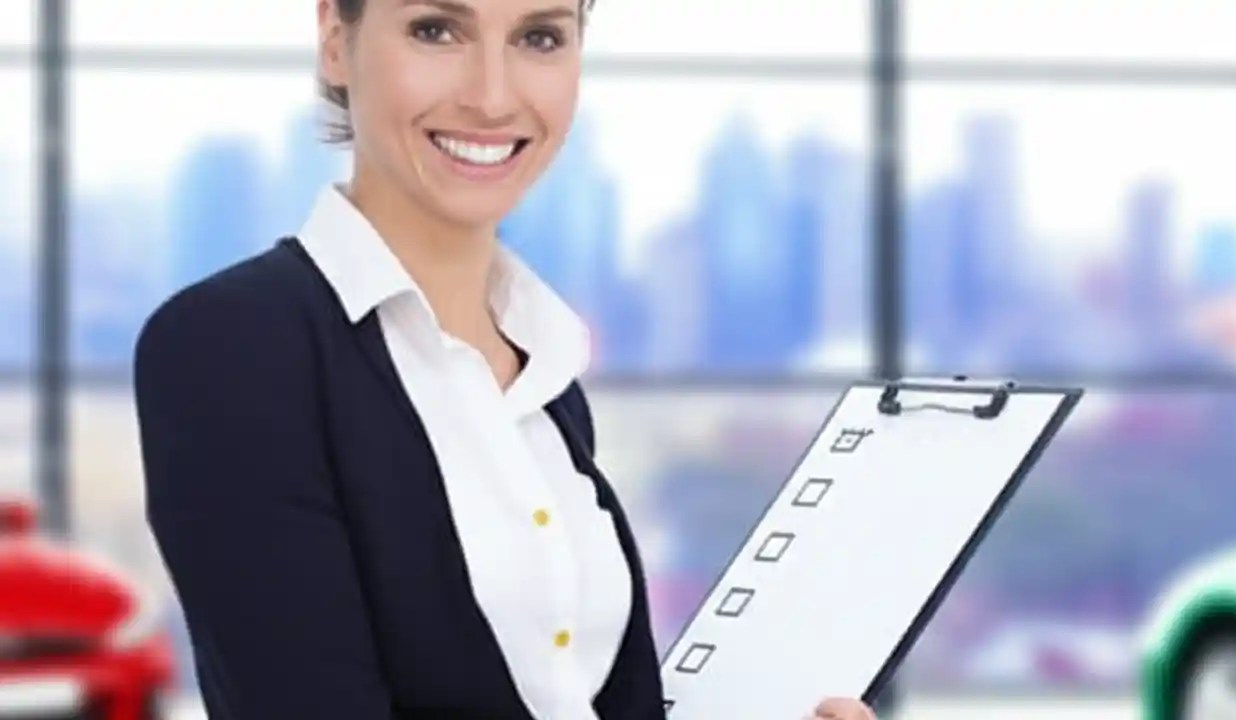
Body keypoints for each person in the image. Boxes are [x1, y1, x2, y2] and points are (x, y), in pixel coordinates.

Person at [132, 1, 879, 718]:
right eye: (436, 29)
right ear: (336, 37)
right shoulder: (231, 347)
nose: (492, 98)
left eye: (540, 37)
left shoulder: (546, 376)